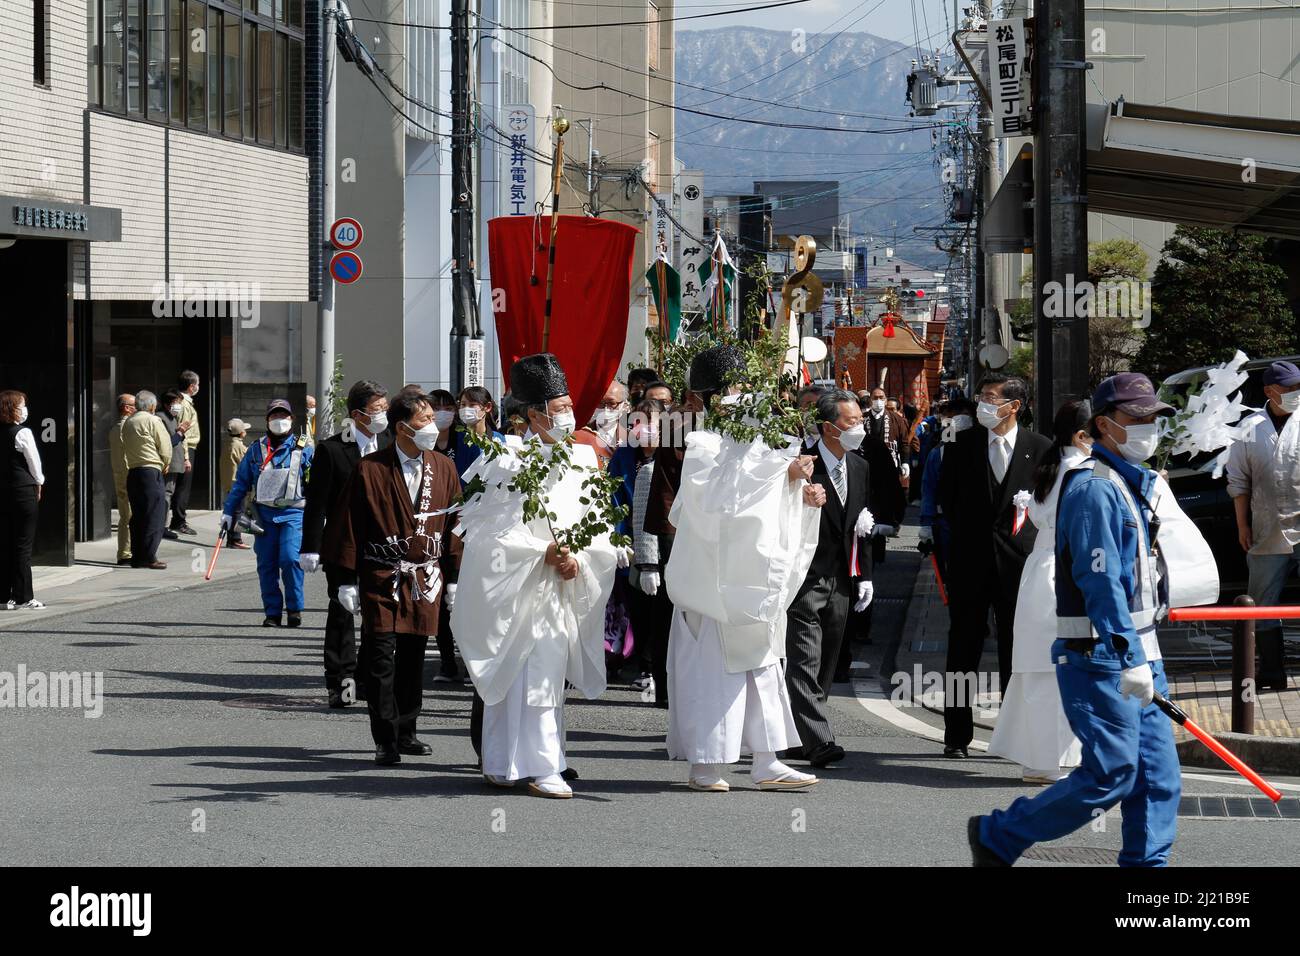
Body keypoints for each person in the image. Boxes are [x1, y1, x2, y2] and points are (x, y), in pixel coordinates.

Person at [971, 373, 1181, 867]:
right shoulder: (1093, 489)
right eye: (1140, 418)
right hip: (1101, 657)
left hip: (1138, 654)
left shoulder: (1131, 481)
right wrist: (1130, 657)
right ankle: (1001, 834)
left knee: (1158, 778)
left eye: (1155, 417)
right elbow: (1100, 582)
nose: (1151, 427)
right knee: (1112, 773)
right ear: (1106, 426)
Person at [451, 353, 620, 798]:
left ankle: (538, 759)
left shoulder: (583, 459)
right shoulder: (507, 458)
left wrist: (579, 560)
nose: (567, 414)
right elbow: (486, 534)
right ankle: (523, 763)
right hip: (521, 585)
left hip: (560, 588)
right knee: (519, 676)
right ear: (532, 414)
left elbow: (598, 527)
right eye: (558, 406)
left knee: (546, 675)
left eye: (568, 405)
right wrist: (539, 551)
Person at [663, 344, 825, 793]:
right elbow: (712, 504)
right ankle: (705, 763)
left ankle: (767, 759)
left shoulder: (762, 444)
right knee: (715, 673)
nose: (742, 397)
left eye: (745, 389)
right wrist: (780, 473)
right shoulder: (701, 443)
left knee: (764, 668)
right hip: (714, 582)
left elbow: (771, 501)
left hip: (754, 575)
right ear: (708, 399)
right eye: (733, 390)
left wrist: (801, 494)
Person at [323, 390, 462, 765]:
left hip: (424, 575)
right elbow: (348, 524)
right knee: (381, 656)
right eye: (424, 421)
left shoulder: (444, 468)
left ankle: (407, 729)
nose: (432, 426)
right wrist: (345, 580)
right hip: (381, 575)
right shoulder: (371, 469)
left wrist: (454, 577)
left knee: (415, 654)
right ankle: (384, 737)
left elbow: (455, 523)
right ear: (402, 428)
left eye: (433, 418)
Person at [937, 374, 1052, 757]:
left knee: (1015, 648)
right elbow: (948, 501)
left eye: (991, 398)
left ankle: (1012, 733)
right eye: (982, 397)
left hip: (1018, 565)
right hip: (969, 562)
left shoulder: (1040, 448)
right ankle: (956, 734)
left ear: (1013, 406)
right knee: (962, 647)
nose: (983, 404)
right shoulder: (960, 444)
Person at [987, 399, 1091, 784]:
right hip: (1066, 571)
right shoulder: (1082, 470)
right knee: (1064, 667)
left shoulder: (1049, 467)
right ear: (1082, 435)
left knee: (1037, 669)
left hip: (1038, 572)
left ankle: (1039, 758)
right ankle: (1059, 756)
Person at [784, 389, 874, 768]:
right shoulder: (800, 465)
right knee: (804, 659)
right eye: (851, 423)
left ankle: (796, 734)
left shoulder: (859, 466)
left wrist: (864, 575)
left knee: (826, 664)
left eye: (860, 421)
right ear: (828, 427)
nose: (859, 428)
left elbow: (861, 526)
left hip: (841, 578)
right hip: (806, 577)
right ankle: (820, 741)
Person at [300, 381, 391, 707]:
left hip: (383, 545)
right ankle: (341, 683)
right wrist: (309, 546)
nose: (384, 414)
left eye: (385, 407)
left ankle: (366, 680)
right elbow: (317, 503)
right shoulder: (332, 449)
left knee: (377, 614)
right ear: (357, 414)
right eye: (378, 409)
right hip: (343, 545)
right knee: (343, 611)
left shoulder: (392, 445)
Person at [1227, 359, 1300, 690]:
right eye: (1289, 390)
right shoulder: (1249, 427)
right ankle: (1272, 672)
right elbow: (1238, 481)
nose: (1296, 394)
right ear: (1270, 391)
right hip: (1267, 528)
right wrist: (1242, 525)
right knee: (1261, 601)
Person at [431, 386, 504, 684]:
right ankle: (448, 663)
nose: (464, 409)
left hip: (490, 528)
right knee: (447, 596)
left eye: (471, 404)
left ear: (487, 408)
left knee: (485, 599)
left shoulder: (501, 442)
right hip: (453, 525)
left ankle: (485, 662)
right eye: (462, 404)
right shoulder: (457, 440)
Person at [221, 399, 314, 627]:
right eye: (274, 416)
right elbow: (241, 483)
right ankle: (272, 613)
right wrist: (228, 512)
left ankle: (294, 609)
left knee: (291, 559)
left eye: (283, 416)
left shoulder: (304, 449)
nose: (279, 420)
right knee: (267, 564)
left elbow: (316, 485)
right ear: (267, 420)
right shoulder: (255, 450)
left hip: (294, 513)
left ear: (291, 419)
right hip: (263, 516)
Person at [628, 396, 671, 704]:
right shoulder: (647, 470)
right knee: (657, 624)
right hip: (656, 560)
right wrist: (647, 564)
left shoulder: (672, 465)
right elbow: (642, 518)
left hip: (683, 559)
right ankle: (654, 677)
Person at [917, 398, 976, 582]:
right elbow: (929, 488)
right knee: (951, 573)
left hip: (976, 521)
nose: (959, 419)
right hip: (945, 522)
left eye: (964, 415)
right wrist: (926, 524)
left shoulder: (984, 449)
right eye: (953, 416)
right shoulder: (939, 452)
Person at [0, 390, 45, 609]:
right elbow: (33, 462)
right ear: (12, 409)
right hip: (22, 491)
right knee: (23, 545)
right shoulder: (22, 433)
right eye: (21, 405)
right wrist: (39, 482)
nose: (24, 409)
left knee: (5, 543)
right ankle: (23, 596)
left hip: (3, 492)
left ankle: (3, 595)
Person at [121, 390, 173, 570]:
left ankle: (137, 556)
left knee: (138, 516)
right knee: (155, 515)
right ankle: (150, 556)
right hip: (151, 470)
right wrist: (166, 463)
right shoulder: (153, 420)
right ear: (152, 406)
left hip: (133, 472)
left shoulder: (128, 422)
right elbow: (165, 447)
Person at [156, 389, 190, 541]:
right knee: (166, 494)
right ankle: (161, 526)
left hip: (176, 461)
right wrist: (180, 432)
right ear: (166, 404)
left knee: (169, 493)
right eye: (176, 403)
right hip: (168, 463)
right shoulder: (161, 418)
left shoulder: (173, 418)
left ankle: (163, 525)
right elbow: (168, 443)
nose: (178, 406)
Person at [171, 370, 201, 537]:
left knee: (182, 486)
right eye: (197, 384)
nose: (198, 387)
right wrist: (187, 457)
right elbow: (183, 431)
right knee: (183, 487)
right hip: (186, 448)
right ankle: (179, 521)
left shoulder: (183, 403)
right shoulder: (183, 404)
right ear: (191, 386)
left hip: (187, 447)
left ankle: (178, 519)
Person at [108, 393, 136, 566]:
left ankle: (127, 552)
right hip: (128, 475)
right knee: (129, 515)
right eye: (135, 405)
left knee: (127, 515)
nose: (137, 407)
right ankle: (126, 553)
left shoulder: (116, 428)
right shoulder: (128, 428)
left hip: (122, 474)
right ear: (126, 408)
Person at [221, 419, 253, 551]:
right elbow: (246, 461)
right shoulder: (238, 446)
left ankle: (232, 538)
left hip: (228, 482)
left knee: (233, 510)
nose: (245, 431)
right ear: (241, 433)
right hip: (236, 483)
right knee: (237, 511)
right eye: (244, 430)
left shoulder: (228, 443)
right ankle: (235, 539)